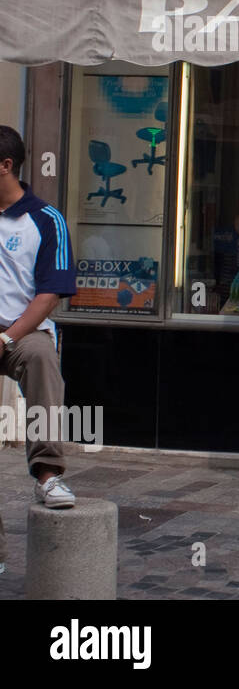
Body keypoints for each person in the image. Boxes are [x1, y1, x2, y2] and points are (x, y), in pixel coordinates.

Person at [0, 126, 78, 514]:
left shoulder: (46, 220)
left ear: (6, 166)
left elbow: (48, 297)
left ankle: (48, 474)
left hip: (22, 332)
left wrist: (5, 338)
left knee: (42, 358)